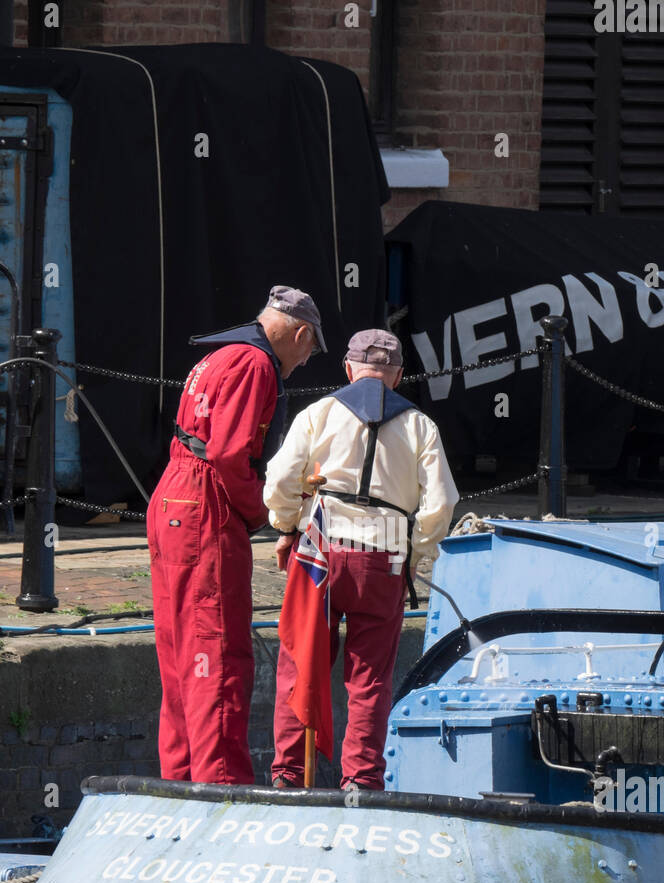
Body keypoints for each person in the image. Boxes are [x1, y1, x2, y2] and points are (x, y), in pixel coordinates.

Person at [264, 328, 459, 790]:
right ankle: (362, 782)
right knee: (370, 678)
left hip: (318, 556)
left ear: (349, 369)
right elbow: (440, 505)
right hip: (384, 558)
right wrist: (418, 558)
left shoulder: (320, 412)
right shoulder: (420, 426)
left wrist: (286, 524)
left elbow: (279, 479)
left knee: (300, 666)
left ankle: (289, 776)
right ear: (397, 376)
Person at [147, 286, 327, 785]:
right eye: (310, 350)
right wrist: (263, 513)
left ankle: (179, 780)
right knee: (219, 648)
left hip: (172, 495)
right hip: (205, 501)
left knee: (179, 649)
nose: (305, 361)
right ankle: (221, 786)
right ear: (300, 333)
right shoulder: (256, 365)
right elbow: (228, 455)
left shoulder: (221, 355)